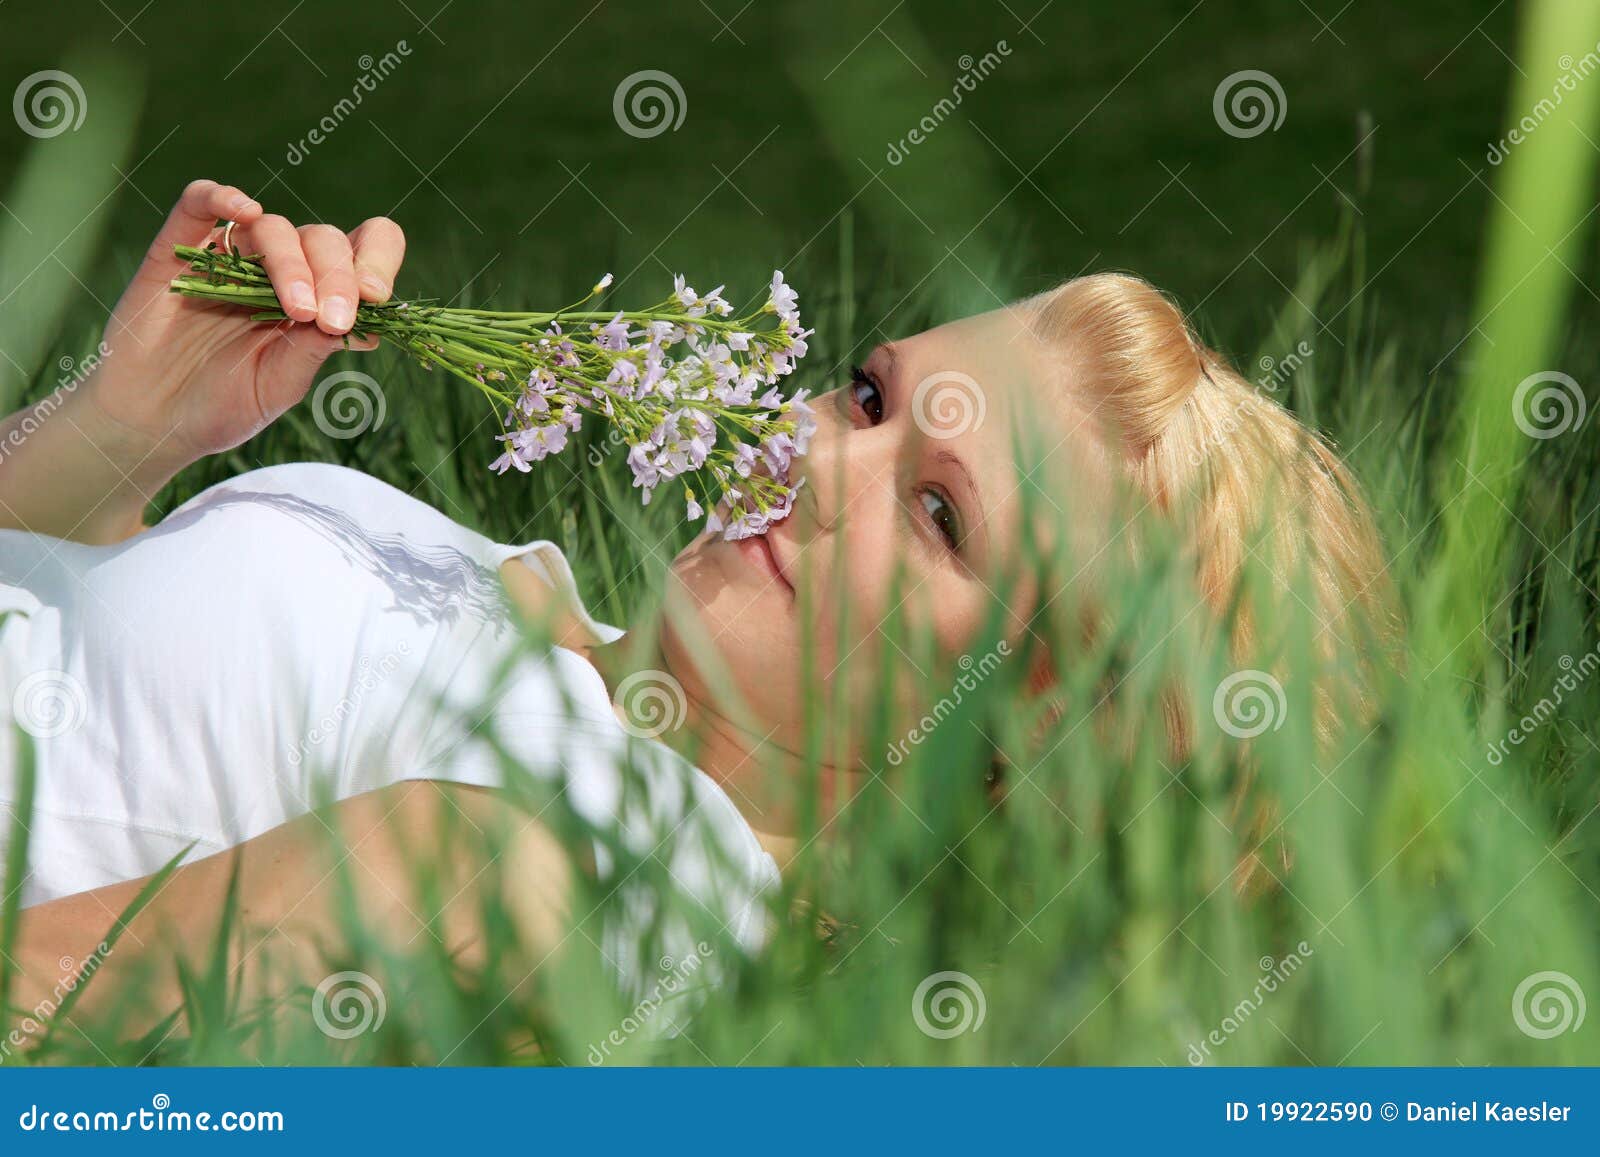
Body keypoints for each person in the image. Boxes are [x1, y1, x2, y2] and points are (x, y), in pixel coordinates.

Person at [0, 180, 1395, 1029]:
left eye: (938, 515)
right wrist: (127, 426)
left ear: (1042, 731)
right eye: (869, 397)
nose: (816, 462)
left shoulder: (590, 862)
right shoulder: (518, 603)